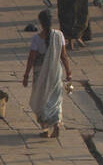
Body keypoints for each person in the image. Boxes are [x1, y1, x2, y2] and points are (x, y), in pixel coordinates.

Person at [22, 7, 71, 138]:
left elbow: (31, 58)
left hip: (40, 74)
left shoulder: (37, 39)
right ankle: (56, 126)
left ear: (40, 22)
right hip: (56, 73)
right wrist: (69, 72)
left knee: (41, 99)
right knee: (55, 100)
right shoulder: (59, 35)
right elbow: (64, 56)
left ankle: (45, 129)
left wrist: (26, 75)